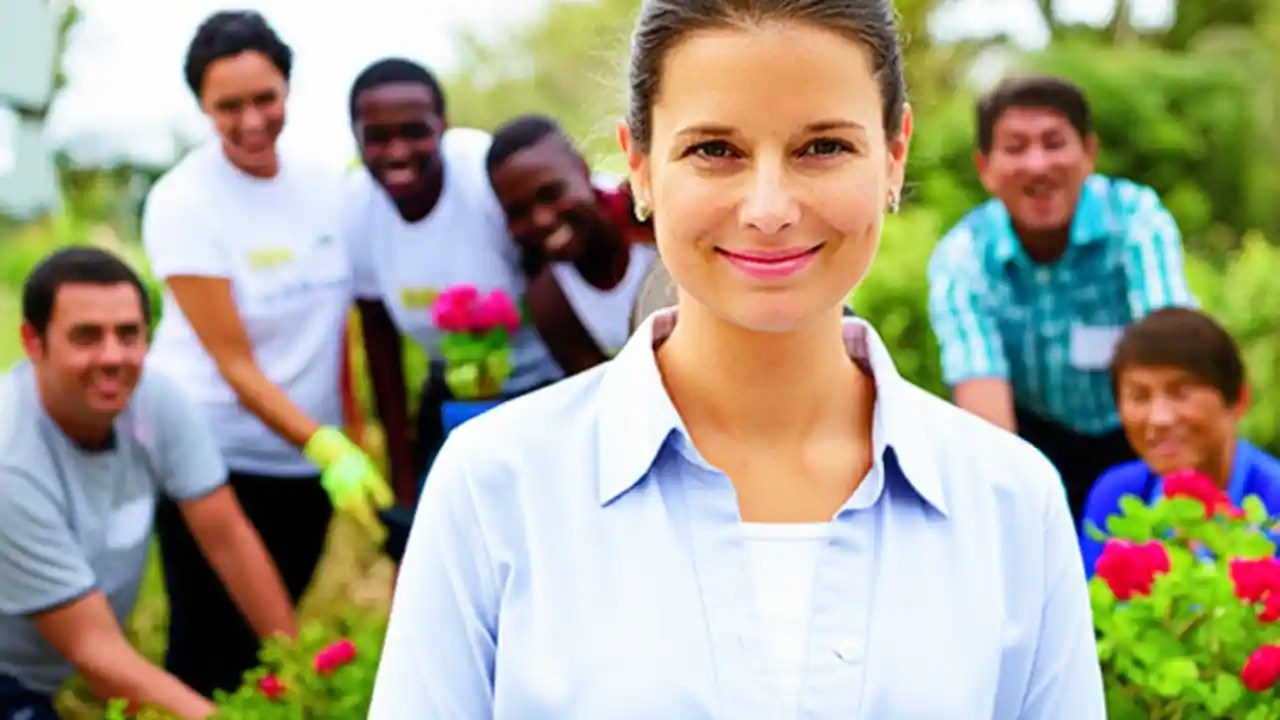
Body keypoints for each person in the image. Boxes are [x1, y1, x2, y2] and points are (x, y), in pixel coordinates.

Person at [370, 1, 1104, 717]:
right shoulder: (495, 487)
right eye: (714, 150)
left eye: (823, 147)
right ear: (640, 166)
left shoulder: (1009, 501)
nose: (769, 207)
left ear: (894, 155)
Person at [140, 11, 390, 698]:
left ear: (288, 90)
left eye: (264, 99)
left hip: (303, 457)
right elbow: (233, 362)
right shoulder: (184, 202)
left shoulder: (325, 187)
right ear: (201, 106)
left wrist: (351, 433)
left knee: (271, 641)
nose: (251, 120)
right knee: (207, 646)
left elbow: (337, 327)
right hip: (209, 451)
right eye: (229, 106)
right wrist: (327, 446)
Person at [0, 248, 297, 720]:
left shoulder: (155, 400)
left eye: (129, 334)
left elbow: (228, 537)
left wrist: (298, 669)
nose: (113, 357)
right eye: (86, 337)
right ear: (33, 343)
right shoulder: (10, 461)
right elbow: (93, 648)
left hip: (47, 669)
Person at [926, 74, 1196, 523]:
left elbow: (1174, 350)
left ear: (1088, 154)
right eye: (1015, 148)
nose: (1037, 165)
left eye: (1054, 143)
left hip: (1140, 428)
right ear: (985, 169)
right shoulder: (964, 256)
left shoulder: (1134, 218)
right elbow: (984, 405)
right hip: (1030, 439)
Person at [341, 59, 563, 495]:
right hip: (453, 395)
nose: (398, 151)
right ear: (355, 138)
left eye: (414, 131)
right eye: (377, 138)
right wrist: (402, 483)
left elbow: (559, 270)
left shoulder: (485, 175)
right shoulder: (355, 209)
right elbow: (379, 341)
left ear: (443, 125)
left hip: (548, 380)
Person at [1079, 307, 1280, 574]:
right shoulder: (1117, 496)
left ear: (1238, 399)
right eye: (1140, 396)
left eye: (1181, 393)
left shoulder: (1272, 498)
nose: (1160, 418)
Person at [486, 114, 658, 374]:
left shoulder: (653, 222)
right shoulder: (549, 296)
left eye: (550, 193)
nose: (541, 220)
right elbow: (598, 390)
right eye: (518, 212)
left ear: (583, 170)